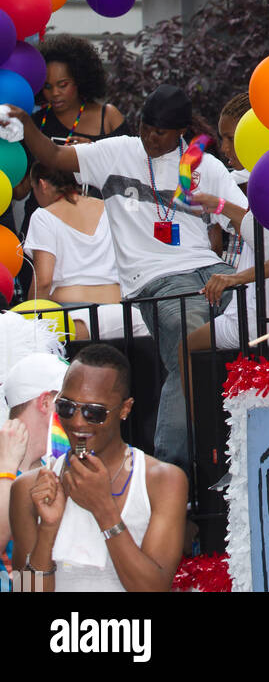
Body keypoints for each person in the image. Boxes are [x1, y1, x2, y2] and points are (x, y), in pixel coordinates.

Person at [8, 85, 246, 470]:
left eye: (160, 132)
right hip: (158, 281)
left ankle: (233, 448)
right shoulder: (116, 152)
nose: (150, 137)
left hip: (209, 269)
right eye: (145, 127)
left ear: (181, 131)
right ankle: (170, 470)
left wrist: (224, 215)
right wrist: (25, 124)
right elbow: (53, 155)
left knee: (260, 313)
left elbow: (247, 219)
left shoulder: (205, 165)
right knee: (190, 346)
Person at [11, 344, 187, 592]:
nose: (77, 421)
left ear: (125, 409)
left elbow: (153, 588)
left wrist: (104, 510)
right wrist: (48, 530)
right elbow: (25, 590)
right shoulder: (29, 487)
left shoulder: (162, 481)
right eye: (66, 407)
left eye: (94, 412)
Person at [186, 92, 269, 352]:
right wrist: (219, 205)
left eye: (230, 139)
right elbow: (263, 233)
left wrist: (235, 278)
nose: (223, 149)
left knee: (187, 347)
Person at [24, 163, 148, 341]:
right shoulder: (110, 207)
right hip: (125, 314)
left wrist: (31, 320)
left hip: (74, 318)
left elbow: (43, 281)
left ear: (42, 184)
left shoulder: (42, 216)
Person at [0, 350, 68, 560]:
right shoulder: (5, 462)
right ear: (46, 402)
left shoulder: (58, 463)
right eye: (67, 403)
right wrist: (7, 468)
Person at [35, 34, 127, 145]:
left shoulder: (109, 117)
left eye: (63, 85)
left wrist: (91, 152)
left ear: (80, 80)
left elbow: (130, 159)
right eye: (47, 86)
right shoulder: (36, 123)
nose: (55, 93)